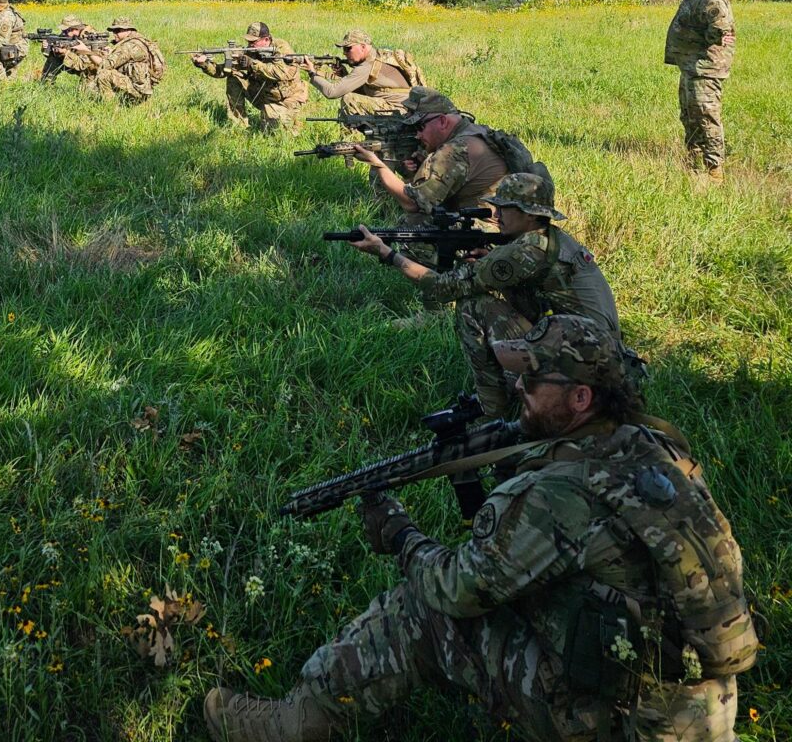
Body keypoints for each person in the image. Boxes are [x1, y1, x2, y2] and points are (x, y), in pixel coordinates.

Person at [204, 315, 756, 742]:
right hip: (700, 710)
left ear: (580, 398)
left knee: (421, 610)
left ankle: (295, 723)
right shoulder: (654, 447)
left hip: (619, 719)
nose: (520, 388)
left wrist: (400, 535)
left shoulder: (560, 495)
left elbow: (457, 589)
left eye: (534, 380)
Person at [347, 170, 620, 417]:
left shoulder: (523, 251)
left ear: (530, 214)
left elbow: (444, 287)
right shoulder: (549, 239)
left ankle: (493, 408)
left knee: (472, 305)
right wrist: (491, 260)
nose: (496, 216)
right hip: (600, 353)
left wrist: (386, 253)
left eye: (506, 209)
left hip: (584, 365)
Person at [350, 87, 523, 215]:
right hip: (506, 220)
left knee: (415, 223)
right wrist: (415, 171)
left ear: (442, 121)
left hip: (487, 230)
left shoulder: (454, 151)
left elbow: (413, 204)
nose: (417, 135)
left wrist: (379, 164)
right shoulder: (474, 131)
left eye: (419, 127)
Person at [664, 0, 735, 182]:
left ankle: (714, 167)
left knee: (706, 116)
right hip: (692, 66)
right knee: (689, 114)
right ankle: (693, 157)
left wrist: (698, 40)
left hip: (705, 67)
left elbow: (721, 29)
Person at [190, 21, 308, 131]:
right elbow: (223, 71)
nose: (250, 45)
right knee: (234, 76)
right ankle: (238, 125)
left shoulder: (281, 48)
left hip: (286, 98)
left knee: (273, 132)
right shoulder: (251, 51)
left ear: (266, 39)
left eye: (253, 42)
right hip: (264, 94)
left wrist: (252, 64)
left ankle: (294, 120)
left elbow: (282, 73)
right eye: (248, 42)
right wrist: (204, 64)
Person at [299, 29, 424, 117]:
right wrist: (345, 75)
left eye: (348, 49)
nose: (344, 53)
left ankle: (349, 144)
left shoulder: (366, 66)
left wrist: (312, 73)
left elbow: (331, 92)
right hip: (410, 107)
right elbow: (374, 90)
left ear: (363, 47)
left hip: (399, 111)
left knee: (350, 99)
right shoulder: (381, 56)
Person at [63, 17, 163, 104]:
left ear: (128, 30)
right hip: (141, 85)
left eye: (118, 31)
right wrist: (109, 54)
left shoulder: (129, 46)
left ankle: (110, 106)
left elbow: (105, 65)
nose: (114, 34)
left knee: (104, 74)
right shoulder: (136, 41)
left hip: (139, 89)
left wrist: (85, 51)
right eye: (113, 31)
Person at [40, 16, 104, 83]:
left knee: (86, 91)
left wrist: (65, 52)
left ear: (75, 29)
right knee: (53, 58)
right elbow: (51, 53)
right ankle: (46, 83)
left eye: (65, 30)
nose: (63, 32)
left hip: (91, 69)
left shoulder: (90, 37)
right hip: (74, 61)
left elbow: (83, 64)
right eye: (63, 30)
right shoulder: (68, 35)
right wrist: (48, 47)